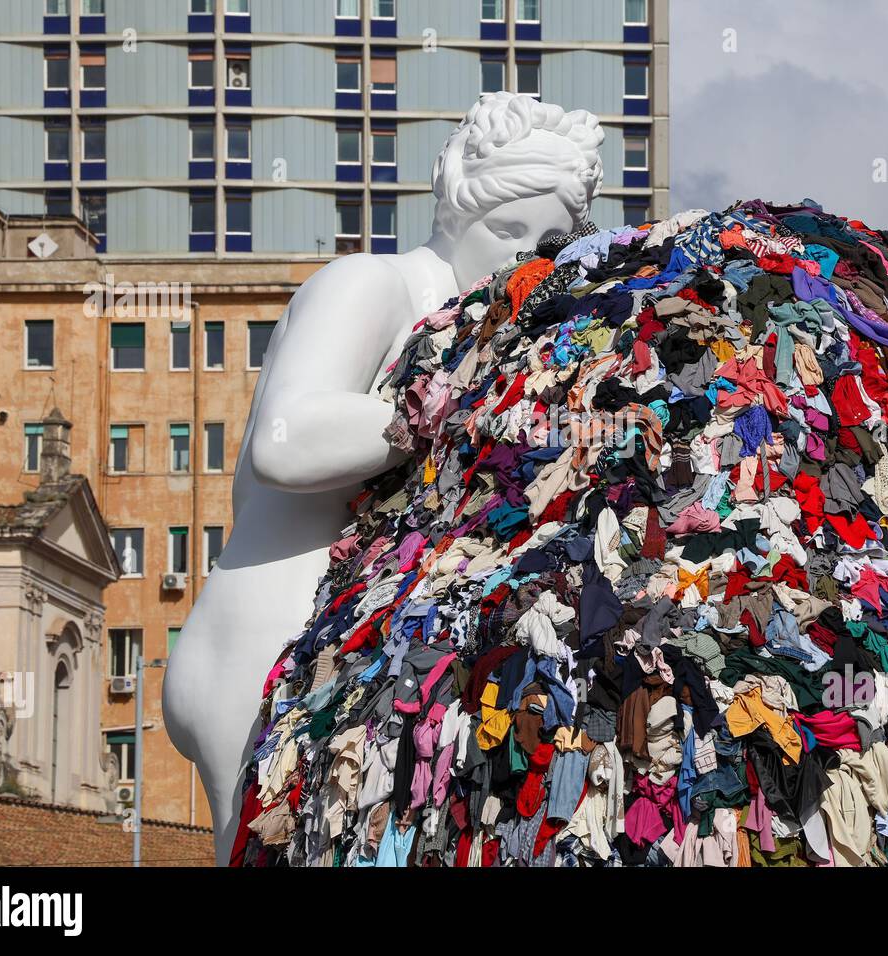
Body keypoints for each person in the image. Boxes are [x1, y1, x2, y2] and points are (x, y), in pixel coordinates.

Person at [163, 92, 605, 862]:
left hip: (352, 639)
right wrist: (448, 406)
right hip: (268, 626)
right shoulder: (375, 284)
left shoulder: (478, 324)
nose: (524, 258)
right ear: (459, 208)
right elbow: (285, 440)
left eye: (548, 241)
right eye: (509, 230)